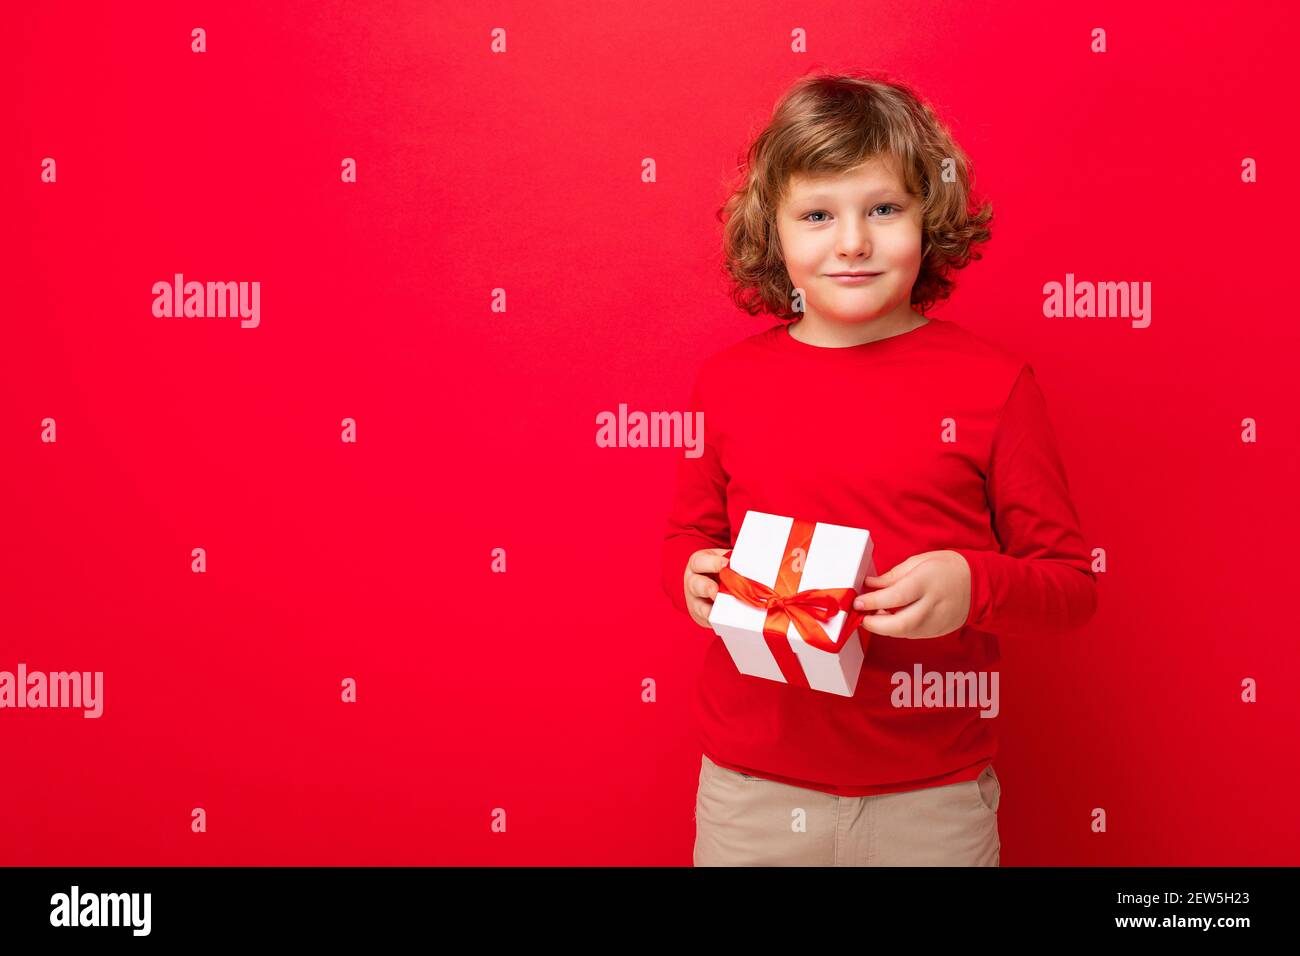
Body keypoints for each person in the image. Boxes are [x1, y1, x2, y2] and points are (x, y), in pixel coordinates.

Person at [660, 71, 1098, 866]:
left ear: (929, 218)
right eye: (819, 214)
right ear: (774, 231)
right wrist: (685, 572)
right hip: (751, 790)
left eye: (884, 210)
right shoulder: (725, 384)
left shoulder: (995, 385)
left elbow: (1070, 585)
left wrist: (975, 585)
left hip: (930, 798)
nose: (853, 242)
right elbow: (687, 535)